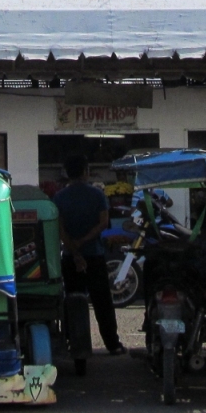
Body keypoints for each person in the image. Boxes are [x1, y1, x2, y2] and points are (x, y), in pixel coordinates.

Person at [55, 152, 124, 355]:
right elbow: (103, 223)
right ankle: (113, 344)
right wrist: (85, 241)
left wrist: (75, 250)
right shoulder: (97, 195)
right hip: (94, 256)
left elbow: (59, 230)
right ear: (85, 171)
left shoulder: (59, 197)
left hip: (70, 258)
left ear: (67, 173)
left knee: (72, 300)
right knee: (102, 302)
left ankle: (71, 341)